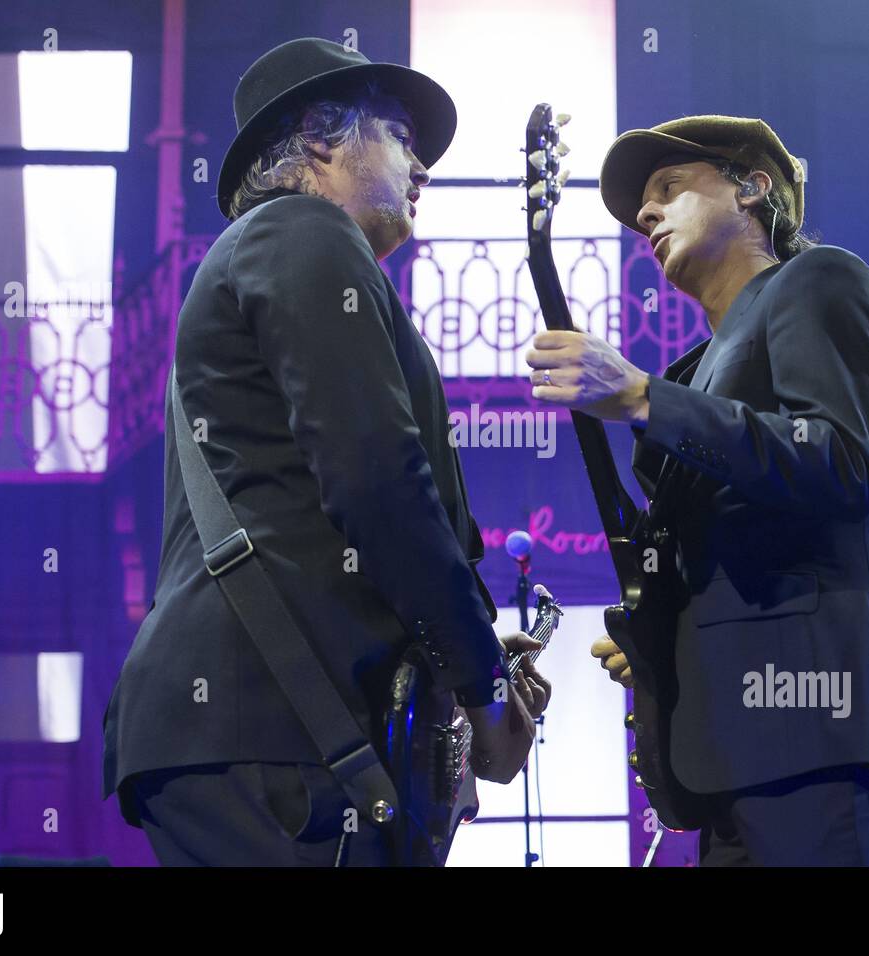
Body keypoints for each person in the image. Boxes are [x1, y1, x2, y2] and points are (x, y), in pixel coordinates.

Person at [102, 37, 548, 867]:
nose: (423, 168)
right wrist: (485, 691)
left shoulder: (269, 256)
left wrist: (466, 659)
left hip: (255, 725)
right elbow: (378, 482)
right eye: (402, 137)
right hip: (271, 728)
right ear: (318, 134)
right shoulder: (302, 228)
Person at [525, 115, 869, 865]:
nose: (646, 213)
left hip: (827, 740)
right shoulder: (693, 372)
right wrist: (666, 641)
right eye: (643, 205)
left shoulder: (818, 280)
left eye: (669, 187)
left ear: (752, 189)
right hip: (731, 755)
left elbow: (841, 463)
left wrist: (644, 398)